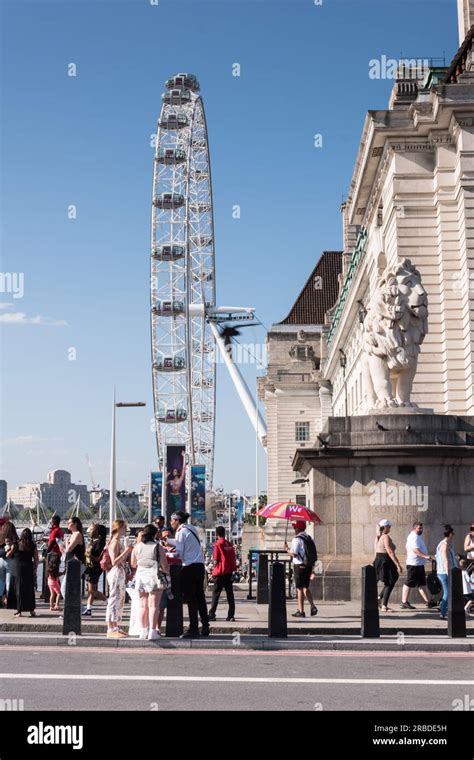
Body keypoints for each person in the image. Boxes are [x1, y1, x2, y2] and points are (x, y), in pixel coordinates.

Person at [165, 511, 209, 638]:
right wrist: (169, 541)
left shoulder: (180, 531)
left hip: (188, 567)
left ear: (177, 520)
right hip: (199, 565)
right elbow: (184, 543)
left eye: (172, 520)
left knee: (190, 599)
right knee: (200, 597)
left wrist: (165, 554)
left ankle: (193, 628)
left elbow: (179, 554)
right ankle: (205, 626)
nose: (170, 522)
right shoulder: (190, 528)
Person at [130, 523, 169, 640]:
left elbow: (133, 564)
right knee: (154, 606)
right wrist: (167, 573)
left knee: (142, 606)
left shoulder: (137, 547)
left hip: (141, 576)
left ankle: (143, 631)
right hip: (154, 576)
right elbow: (165, 565)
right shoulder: (157, 547)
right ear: (155, 534)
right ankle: (152, 631)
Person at [105, 519, 133, 638]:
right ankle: (110, 628)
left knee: (118, 599)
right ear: (119, 528)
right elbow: (114, 561)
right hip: (116, 572)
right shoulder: (115, 542)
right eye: (124, 527)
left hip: (119, 572)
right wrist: (126, 551)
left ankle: (114, 626)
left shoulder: (117, 541)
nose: (125, 529)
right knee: (114, 599)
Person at [401, 521, 437, 610]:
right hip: (414, 564)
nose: (421, 530)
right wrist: (426, 557)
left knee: (422, 583)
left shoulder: (416, 536)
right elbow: (415, 550)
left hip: (419, 564)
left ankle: (429, 601)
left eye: (422, 528)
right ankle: (404, 602)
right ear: (414, 528)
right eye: (419, 528)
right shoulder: (414, 537)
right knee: (409, 583)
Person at [285, 521, 318, 618]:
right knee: (306, 587)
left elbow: (294, 553)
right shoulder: (308, 538)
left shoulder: (297, 539)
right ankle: (312, 606)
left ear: (298, 529)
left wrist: (287, 549)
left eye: (295, 528)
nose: (294, 529)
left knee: (299, 589)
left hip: (299, 566)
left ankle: (301, 610)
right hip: (308, 566)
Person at [208, 526, 237, 622]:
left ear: (217, 534)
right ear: (224, 533)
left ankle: (212, 614)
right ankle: (231, 615)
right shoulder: (229, 544)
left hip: (220, 572)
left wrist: (212, 572)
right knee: (230, 594)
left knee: (216, 594)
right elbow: (233, 558)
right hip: (228, 572)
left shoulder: (217, 544)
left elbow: (216, 560)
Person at [374, 519, 403, 612]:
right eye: (389, 526)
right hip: (385, 560)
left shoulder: (378, 537)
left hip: (379, 560)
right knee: (390, 581)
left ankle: (379, 598)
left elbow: (376, 550)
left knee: (390, 580)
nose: (390, 528)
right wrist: (398, 564)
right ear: (385, 527)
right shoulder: (385, 537)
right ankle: (384, 605)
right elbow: (390, 551)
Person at [11, 528, 38, 617]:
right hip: (28, 567)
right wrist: (34, 569)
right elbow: (36, 559)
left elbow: (10, 554)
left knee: (19, 589)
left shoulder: (17, 544)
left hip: (18, 568)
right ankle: (31, 610)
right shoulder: (33, 545)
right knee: (29, 589)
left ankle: (19, 610)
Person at [83, 523, 107, 616]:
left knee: (92, 590)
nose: (91, 531)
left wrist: (89, 555)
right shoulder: (93, 541)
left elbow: (98, 558)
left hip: (94, 568)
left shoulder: (99, 542)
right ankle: (88, 608)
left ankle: (108, 601)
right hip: (89, 567)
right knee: (91, 590)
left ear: (98, 532)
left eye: (93, 529)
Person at [436, 524, 459, 620]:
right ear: (449, 534)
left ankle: (447, 611)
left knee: (449, 592)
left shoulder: (447, 544)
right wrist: (448, 572)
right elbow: (445, 560)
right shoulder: (444, 545)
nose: (453, 535)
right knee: (447, 593)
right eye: (453, 533)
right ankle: (442, 613)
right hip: (444, 573)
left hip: (447, 572)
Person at [0, 512, 18, 605]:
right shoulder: (11, 527)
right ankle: (8, 600)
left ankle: (0, 599)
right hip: (9, 560)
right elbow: (16, 540)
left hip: (0, 559)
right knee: (8, 581)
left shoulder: (1, 528)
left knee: (1, 581)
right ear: (9, 518)